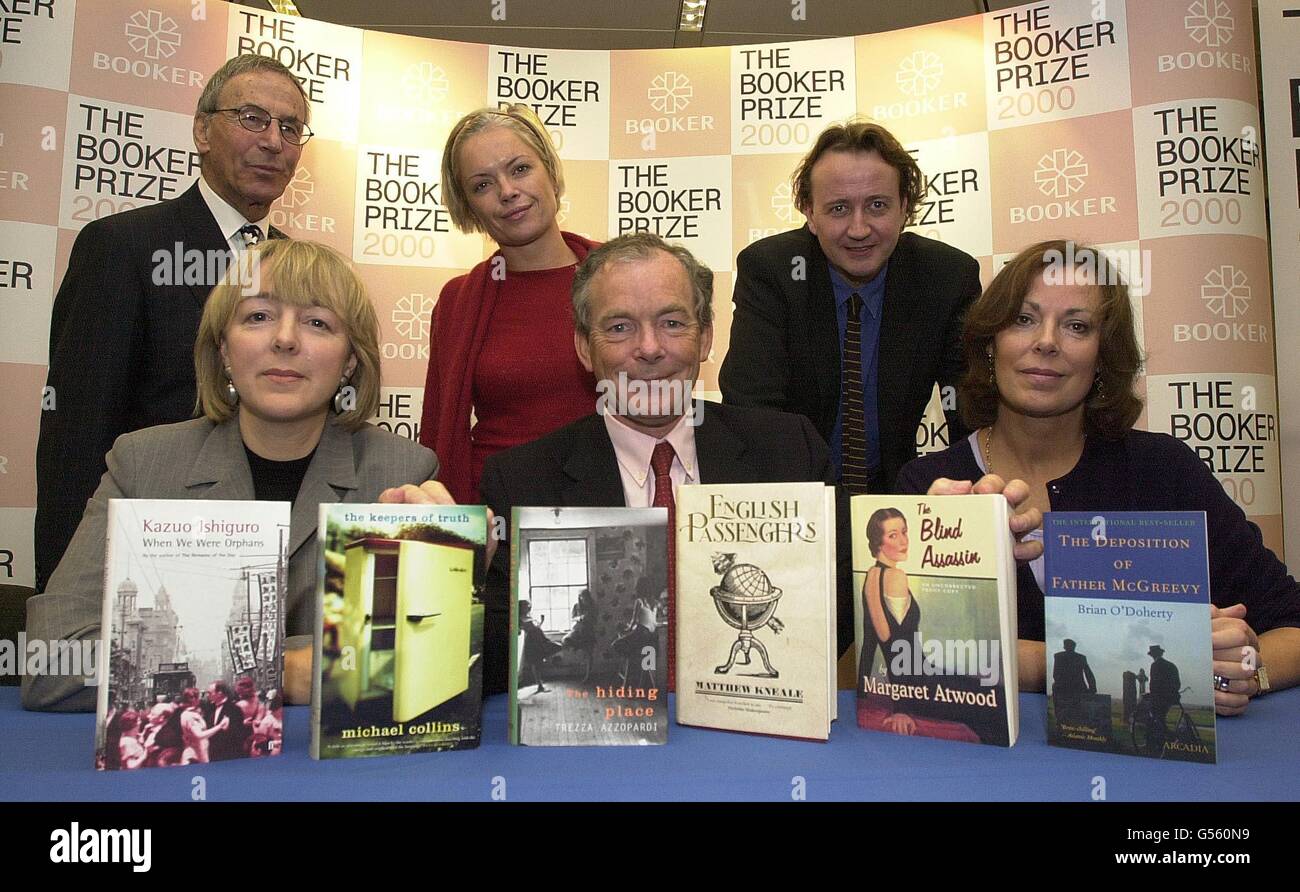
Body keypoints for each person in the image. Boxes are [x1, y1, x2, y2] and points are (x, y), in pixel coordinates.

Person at [22, 240, 455, 714]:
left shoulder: (402, 474)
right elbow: (54, 662)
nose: (285, 340)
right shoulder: (142, 464)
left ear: (350, 360)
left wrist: (456, 572)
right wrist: (279, 671)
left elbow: (426, 662)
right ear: (224, 349)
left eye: (317, 322)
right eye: (258, 317)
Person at [896, 239, 1300, 714]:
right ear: (990, 344)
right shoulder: (929, 485)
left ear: (1103, 356)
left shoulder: (1164, 471)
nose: (1046, 341)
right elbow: (907, 657)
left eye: (1077, 326)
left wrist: (1244, 673)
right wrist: (1105, 664)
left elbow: (1289, 621)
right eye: (1023, 319)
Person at [478, 233, 847, 696]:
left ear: (707, 336)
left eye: (672, 323)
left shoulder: (790, 453)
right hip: (599, 754)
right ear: (584, 347)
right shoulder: (521, 483)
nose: (650, 348)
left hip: (750, 740)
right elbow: (494, 663)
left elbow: (836, 611)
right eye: (619, 328)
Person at [35, 54, 311, 591]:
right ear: (202, 131)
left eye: (291, 127)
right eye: (252, 118)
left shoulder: (303, 272)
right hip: (155, 559)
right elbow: (76, 434)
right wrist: (65, 594)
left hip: (274, 560)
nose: (274, 141)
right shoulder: (122, 247)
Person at [720, 119, 980, 494]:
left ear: (904, 206)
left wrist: (969, 499)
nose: (859, 229)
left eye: (877, 205)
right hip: (793, 495)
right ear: (809, 212)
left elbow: (969, 408)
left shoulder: (946, 277)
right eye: (839, 209)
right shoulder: (772, 271)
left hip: (896, 493)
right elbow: (753, 413)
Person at [420, 104, 600, 503]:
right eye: (482, 185)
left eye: (520, 169)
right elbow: (437, 430)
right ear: (468, 208)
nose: (507, 191)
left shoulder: (620, 278)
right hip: (498, 520)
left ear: (551, 173)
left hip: (612, 510)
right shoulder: (457, 302)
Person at [856, 507, 980, 742]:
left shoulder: (871, 576)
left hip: (918, 682)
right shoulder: (896, 576)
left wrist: (862, 695)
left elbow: (869, 646)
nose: (903, 541)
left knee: (979, 686)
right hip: (921, 686)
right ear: (877, 541)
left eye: (904, 532)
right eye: (893, 535)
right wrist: (903, 707)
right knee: (988, 696)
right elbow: (900, 647)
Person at [206, 680, 250, 762]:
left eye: (210, 693)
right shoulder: (209, 708)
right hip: (214, 755)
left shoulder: (234, 709)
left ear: (220, 693)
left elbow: (239, 735)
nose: (207, 696)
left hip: (229, 756)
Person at [179, 687, 224, 765]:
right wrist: (220, 726)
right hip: (196, 754)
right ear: (194, 699)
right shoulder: (191, 716)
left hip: (198, 751)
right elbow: (199, 735)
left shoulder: (187, 713)